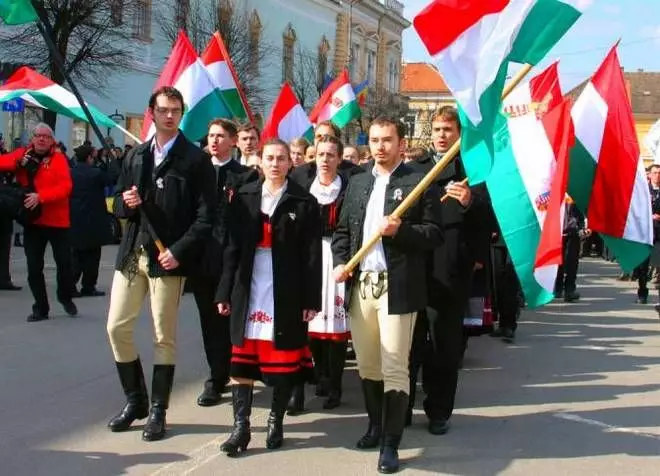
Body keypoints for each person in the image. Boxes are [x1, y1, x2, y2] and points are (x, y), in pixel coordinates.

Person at [105, 86, 216, 442]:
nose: (170, 116)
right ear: (151, 111)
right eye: (164, 110)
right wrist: (126, 203)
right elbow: (117, 206)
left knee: (161, 336)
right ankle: (134, 400)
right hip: (132, 254)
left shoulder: (194, 160)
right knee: (116, 327)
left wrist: (180, 250)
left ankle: (157, 410)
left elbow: (206, 215)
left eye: (176, 110)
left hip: (167, 259)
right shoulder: (135, 156)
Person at [332, 116, 442, 474]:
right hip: (361, 285)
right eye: (375, 140)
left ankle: (390, 444)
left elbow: (433, 235)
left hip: (398, 286)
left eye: (387, 140)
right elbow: (342, 233)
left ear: (401, 142)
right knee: (367, 364)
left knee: (395, 365)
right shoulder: (358, 181)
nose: (380, 147)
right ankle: (375, 425)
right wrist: (340, 263)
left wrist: (401, 231)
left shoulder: (417, 181)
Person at [215, 138, 322, 456]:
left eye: (281, 158)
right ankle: (241, 427)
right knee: (241, 361)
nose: (275, 164)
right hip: (249, 285)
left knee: (282, 361)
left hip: (285, 288)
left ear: (291, 163)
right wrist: (224, 290)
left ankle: (276, 420)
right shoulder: (244, 196)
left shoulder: (303, 201)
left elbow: (312, 254)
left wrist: (310, 299)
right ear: (259, 161)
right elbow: (231, 249)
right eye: (270, 158)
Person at [407, 106, 488, 436]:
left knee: (445, 346)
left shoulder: (474, 171)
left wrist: (470, 202)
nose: (442, 135)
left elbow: (487, 221)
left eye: (448, 130)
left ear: (459, 134)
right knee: (409, 345)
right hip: (415, 268)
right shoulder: (415, 169)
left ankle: (439, 410)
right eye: (437, 130)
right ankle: (402, 406)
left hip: (450, 270)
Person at [190, 119, 259, 407]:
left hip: (234, 258)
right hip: (203, 257)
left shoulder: (245, 176)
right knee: (209, 320)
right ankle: (215, 377)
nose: (214, 141)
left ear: (233, 141)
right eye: (211, 136)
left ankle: (239, 371)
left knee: (233, 318)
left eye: (220, 136)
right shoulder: (197, 172)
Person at [290, 135, 355, 411]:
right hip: (309, 258)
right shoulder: (304, 187)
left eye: (330, 155)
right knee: (312, 323)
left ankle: (335, 384)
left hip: (338, 259)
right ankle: (320, 374)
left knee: (336, 327)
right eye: (320, 155)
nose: (325, 161)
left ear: (339, 159)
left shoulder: (348, 188)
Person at [0, 123, 77, 321]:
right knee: (34, 267)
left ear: (52, 141)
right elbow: (4, 163)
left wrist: (40, 196)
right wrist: (18, 163)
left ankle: (65, 296)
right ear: (32, 139)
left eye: (46, 136)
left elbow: (66, 188)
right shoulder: (23, 154)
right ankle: (41, 308)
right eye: (38, 136)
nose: (41, 139)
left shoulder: (59, 159)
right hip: (33, 222)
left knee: (65, 264)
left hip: (58, 223)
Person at [69, 144, 116, 297]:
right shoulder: (95, 173)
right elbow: (113, 177)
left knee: (76, 254)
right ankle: (88, 285)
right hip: (94, 219)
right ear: (90, 157)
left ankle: (70, 284)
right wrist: (112, 160)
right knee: (93, 256)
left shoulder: (71, 172)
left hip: (75, 217)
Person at [635, 164, 660, 306]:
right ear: (649, 175)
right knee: (643, 266)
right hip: (645, 232)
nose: (657, 175)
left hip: (659, 232)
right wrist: (648, 216)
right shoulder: (643, 191)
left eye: (659, 173)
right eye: (655, 173)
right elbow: (636, 210)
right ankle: (642, 292)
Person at [553, 197, 585, 303]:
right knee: (557, 261)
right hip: (557, 229)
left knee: (571, 261)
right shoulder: (552, 186)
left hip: (572, 230)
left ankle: (569, 290)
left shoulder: (574, 189)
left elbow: (582, 209)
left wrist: (582, 226)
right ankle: (557, 288)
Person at [0, 170, 21, 290]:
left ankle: (4, 279)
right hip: (3, 216)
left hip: (4, 217)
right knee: (4, 250)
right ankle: (4, 279)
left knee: (4, 250)